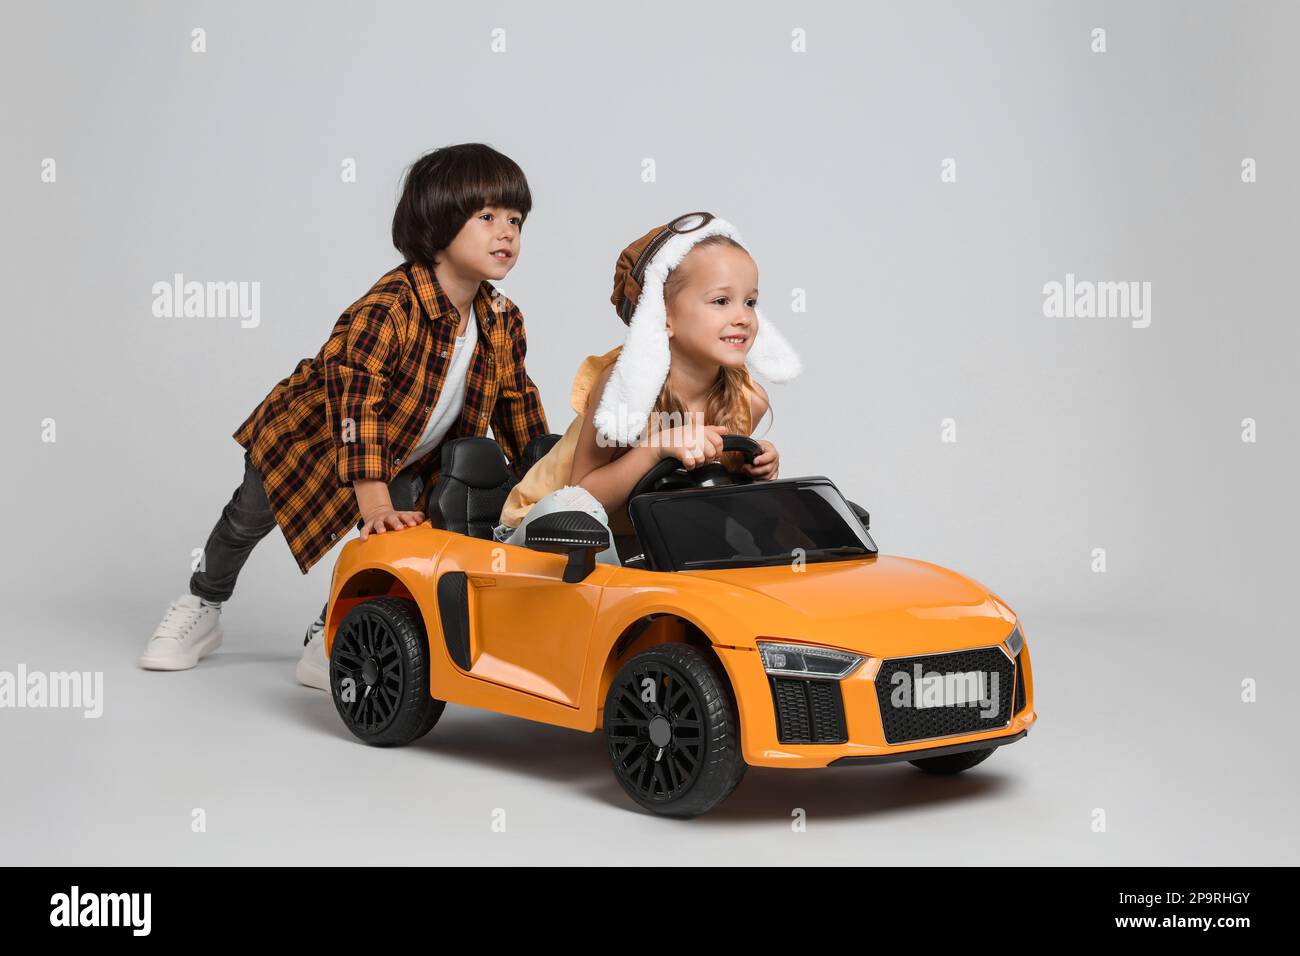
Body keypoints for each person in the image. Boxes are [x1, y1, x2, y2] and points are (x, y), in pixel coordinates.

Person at [139, 143, 550, 689]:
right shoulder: (391, 307)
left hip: (405, 457)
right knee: (247, 516)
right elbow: (358, 400)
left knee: (394, 541)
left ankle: (333, 627)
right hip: (309, 440)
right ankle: (203, 603)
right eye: (488, 217)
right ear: (439, 223)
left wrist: (547, 476)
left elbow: (516, 400)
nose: (507, 234)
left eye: (516, 221)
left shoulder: (501, 319)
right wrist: (372, 495)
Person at [494, 212, 802, 556]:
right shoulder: (625, 387)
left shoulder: (748, 400)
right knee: (580, 518)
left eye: (750, 302)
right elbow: (583, 495)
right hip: (548, 530)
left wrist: (754, 469)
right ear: (664, 315)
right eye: (721, 301)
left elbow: (704, 489)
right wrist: (655, 449)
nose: (743, 317)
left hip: (643, 542)